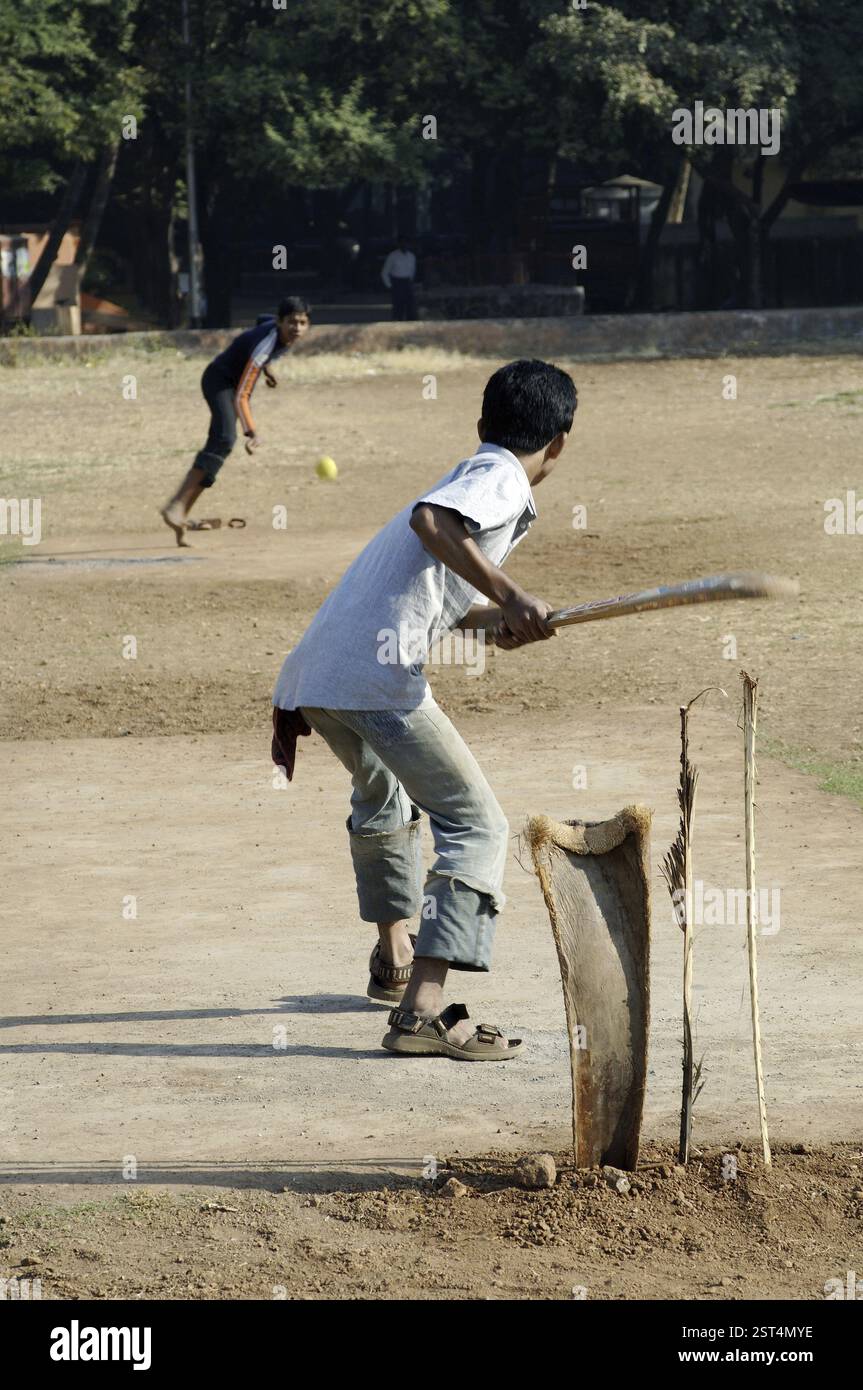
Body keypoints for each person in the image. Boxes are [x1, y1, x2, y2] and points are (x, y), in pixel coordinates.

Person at [272, 359, 577, 1060]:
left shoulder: (477, 469)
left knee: (383, 797)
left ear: (480, 422)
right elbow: (430, 522)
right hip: (376, 681)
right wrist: (508, 594)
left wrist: (486, 623)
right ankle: (424, 1012)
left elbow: (430, 586)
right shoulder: (497, 476)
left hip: (319, 676)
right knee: (475, 825)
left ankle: (395, 958)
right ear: (557, 442)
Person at [160, 297, 310, 546]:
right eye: (292, 322)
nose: (297, 329)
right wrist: (252, 432)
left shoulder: (278, 333)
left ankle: (180, 511)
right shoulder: (266, 344)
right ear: (280, 322)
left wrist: (267, 368)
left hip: (230, 383)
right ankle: (176, 506)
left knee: (221, 445)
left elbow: (261, 320)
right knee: (225, 439)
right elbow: (242, 395)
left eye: (303, 323)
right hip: (219, 380)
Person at [381, 237, 417, 320]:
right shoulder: (393, 256)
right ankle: (397, 327)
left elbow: (413, 270)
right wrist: (390, 286)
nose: (405, 245)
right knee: (398, 309)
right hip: (397, 283)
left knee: (411, 308)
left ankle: (411, 327)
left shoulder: (412, 256)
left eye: (406, 243)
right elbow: (384, 273)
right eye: (402, 243)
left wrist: (411, 282)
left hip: (407, 283)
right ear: (399, 244)